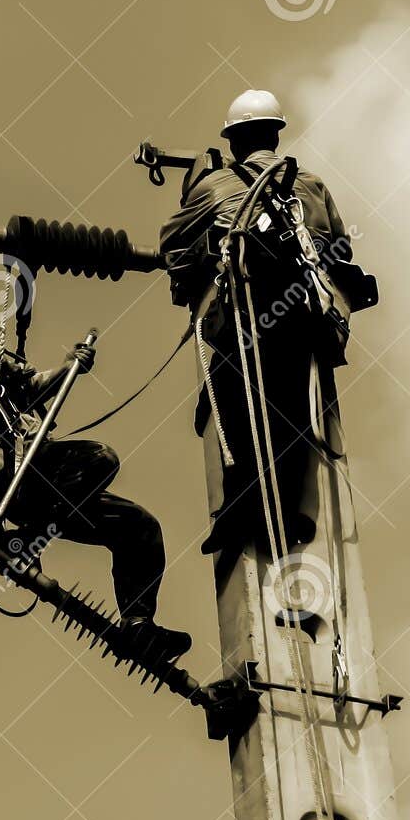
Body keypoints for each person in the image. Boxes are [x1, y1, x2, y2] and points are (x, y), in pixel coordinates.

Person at [0, 273, 189, 662]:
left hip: (48, 482)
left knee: (138, 526)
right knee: (99, 458)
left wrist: (69, 369)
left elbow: (29, 388)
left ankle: (139, 625)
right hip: (13, 484)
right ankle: (26, 538)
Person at [158, 89, 372, 560]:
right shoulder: (310, 184)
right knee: (295, 412)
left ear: (234, 142)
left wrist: (195, 276)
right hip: (304, 314)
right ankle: (289, 512)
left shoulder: (214, 188)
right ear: (276, 134)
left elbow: (172, 245)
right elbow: (339, 249)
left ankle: (242, 508)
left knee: (235, 405)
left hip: (247, 314)